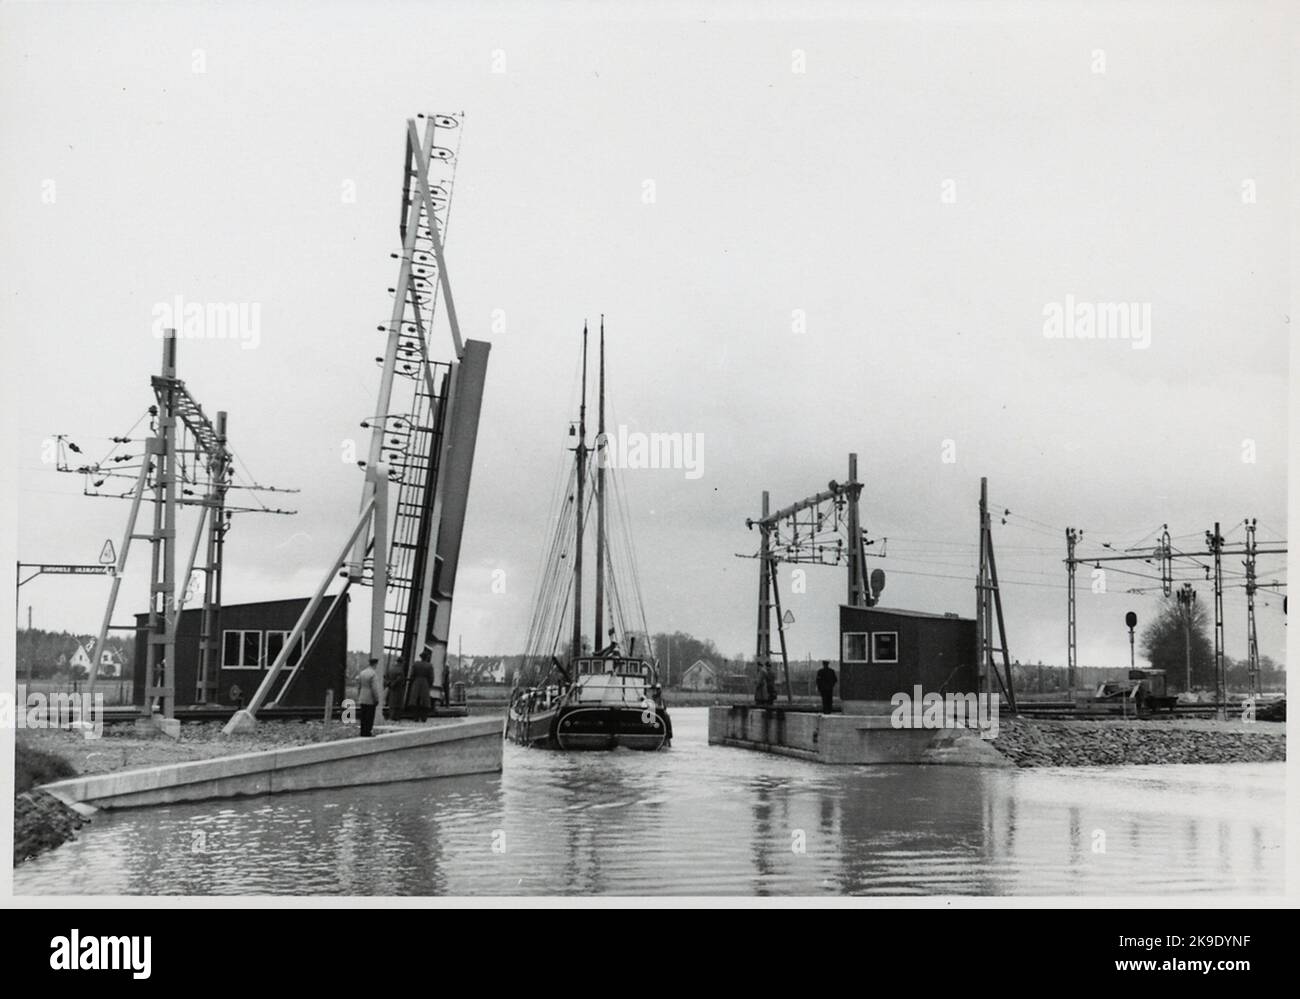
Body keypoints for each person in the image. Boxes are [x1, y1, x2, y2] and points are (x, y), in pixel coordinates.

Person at [356, 658, 382, 737]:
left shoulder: (362, 673)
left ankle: (362, 732)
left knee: (363, 716)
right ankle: (368, 732)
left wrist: (359, 696)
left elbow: (359, 686)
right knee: (370, 716)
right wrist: (377, 699)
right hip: (370, 698)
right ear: (375, 664)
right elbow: (374, 688)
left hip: (362, 697)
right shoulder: (373, 674)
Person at [410, 650, 435, 723]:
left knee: (415, 701)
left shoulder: (416, 664)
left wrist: (413, 682)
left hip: (416, 682)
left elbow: (412, 675)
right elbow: (431, 677)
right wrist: (429, 685)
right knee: (424, 701)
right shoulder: (429, 666)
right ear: (427, 658)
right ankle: (423, 718)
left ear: (421, 657)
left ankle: (415, 717)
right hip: (425, 683)